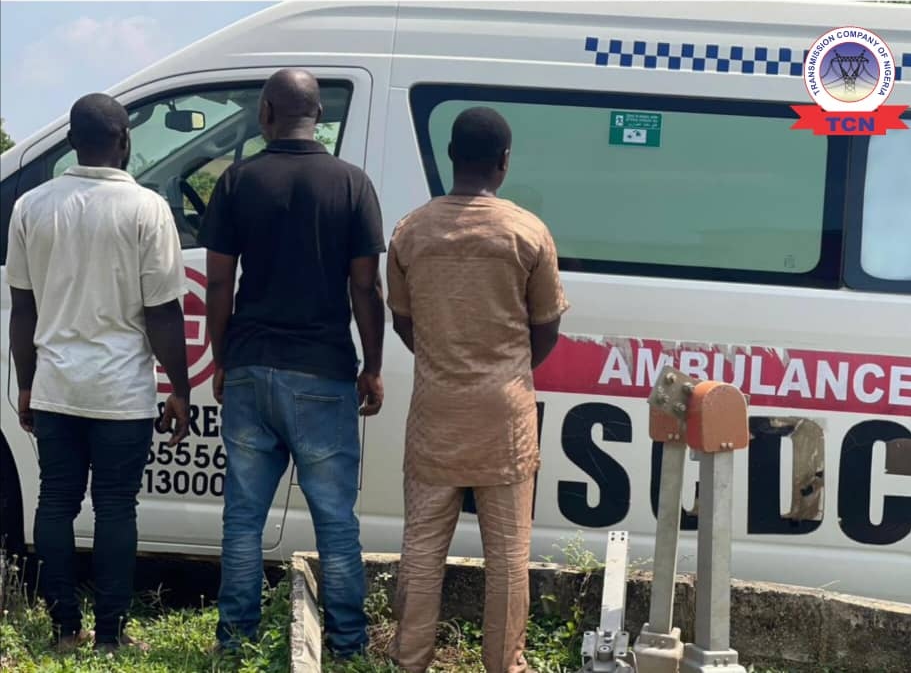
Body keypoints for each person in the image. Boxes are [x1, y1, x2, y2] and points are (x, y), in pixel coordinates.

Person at [199, 68, 386, 658]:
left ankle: (234, 642)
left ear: (265, 113)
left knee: (243, 519)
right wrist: (372, 366)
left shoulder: (236, 181)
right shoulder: (352, 184)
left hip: (252, 366)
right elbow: (365, 288)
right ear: (320, 118)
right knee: (335, 520)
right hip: (323, 371)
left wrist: (221, 357)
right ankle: (350, 645)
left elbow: (220, 282)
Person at [6, 93, 191, 654]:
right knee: (116, 508)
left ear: (71, 141)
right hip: (120, 393)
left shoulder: (31, 207)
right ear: (125, 140)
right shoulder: (148, 209)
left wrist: (26, 384)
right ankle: (109, 636)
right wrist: (179, 389)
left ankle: (65, 629)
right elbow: (163, 312)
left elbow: (24, 308)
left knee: (56, 503)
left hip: (57, 387)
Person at [386, 107, 569, 673]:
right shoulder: (527, 232)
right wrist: (505, 366)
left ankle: (410, 659)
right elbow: (546, 329)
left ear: (450, 157)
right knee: (509, 556)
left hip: (436, 412)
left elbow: (402, 321)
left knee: (421, 547)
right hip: (505, 415)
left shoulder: (411, 230)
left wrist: (446, 358)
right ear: (504, 162)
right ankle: (504, 664)